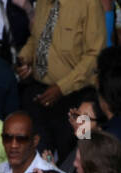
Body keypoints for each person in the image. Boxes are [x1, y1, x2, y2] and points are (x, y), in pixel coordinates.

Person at [15, 0, 107, 159]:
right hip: (40, 94)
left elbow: (94, 55)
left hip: (79, 98)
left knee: (80, 158)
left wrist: (61, 87)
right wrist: (24, 58)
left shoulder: (90, 4)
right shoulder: (43, 2)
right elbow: (37, 38)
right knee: (41, 158)